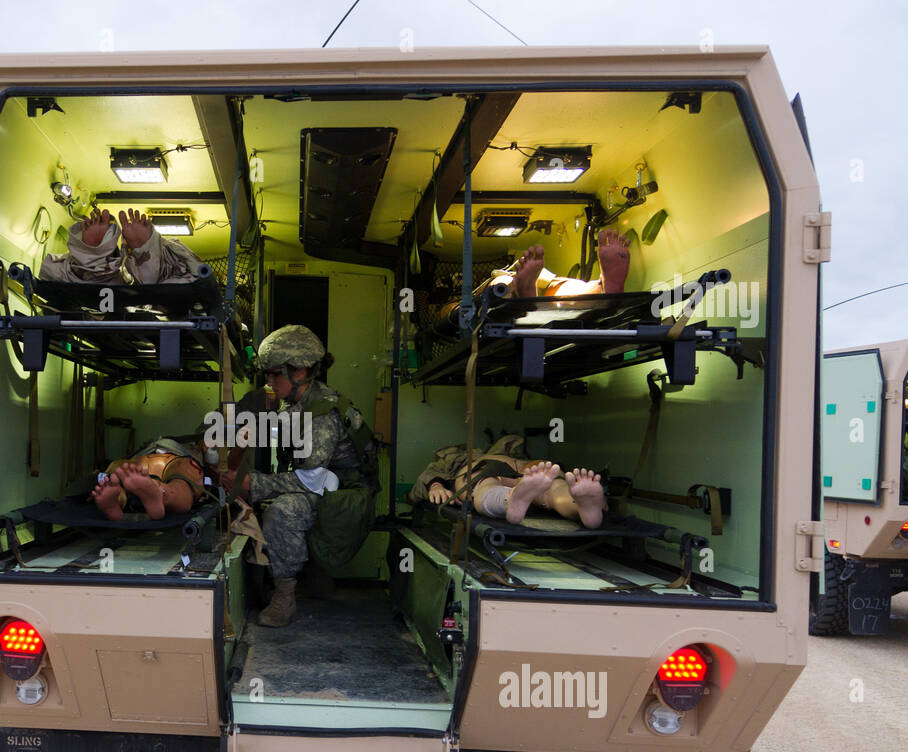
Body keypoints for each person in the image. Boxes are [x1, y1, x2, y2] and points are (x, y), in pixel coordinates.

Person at [220, 325, 377, 628]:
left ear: (301, 372)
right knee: (275, 493)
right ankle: (316, 576)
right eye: (267, 374)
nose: (269, 381)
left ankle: (284, 598)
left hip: (348, 498)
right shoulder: (300, 404)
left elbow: (312, 478)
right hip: (334, 490)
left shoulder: (321, 414)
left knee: (283, 511)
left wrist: (255, 483)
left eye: (275, 374)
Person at [412, 437, 606, 529]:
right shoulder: (455, 457)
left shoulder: (468, 457)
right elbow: (429, 474)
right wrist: (436, 486)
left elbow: (425, 476)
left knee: (484, 486)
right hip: (507, 468)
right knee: (550, 488)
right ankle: (577, 505)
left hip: (514, 469)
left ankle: (511, 500)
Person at [39, 208, 205, 284]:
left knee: (78, 271)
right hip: (149, 295)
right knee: (171, 268)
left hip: (98, 293)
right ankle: (145, 257)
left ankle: (93, 257)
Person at [491, 227, 631, 299]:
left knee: (504, 282)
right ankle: (603, 289)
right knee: (501, 284)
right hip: (520, 281)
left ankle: (524, 297)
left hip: (535, 282)